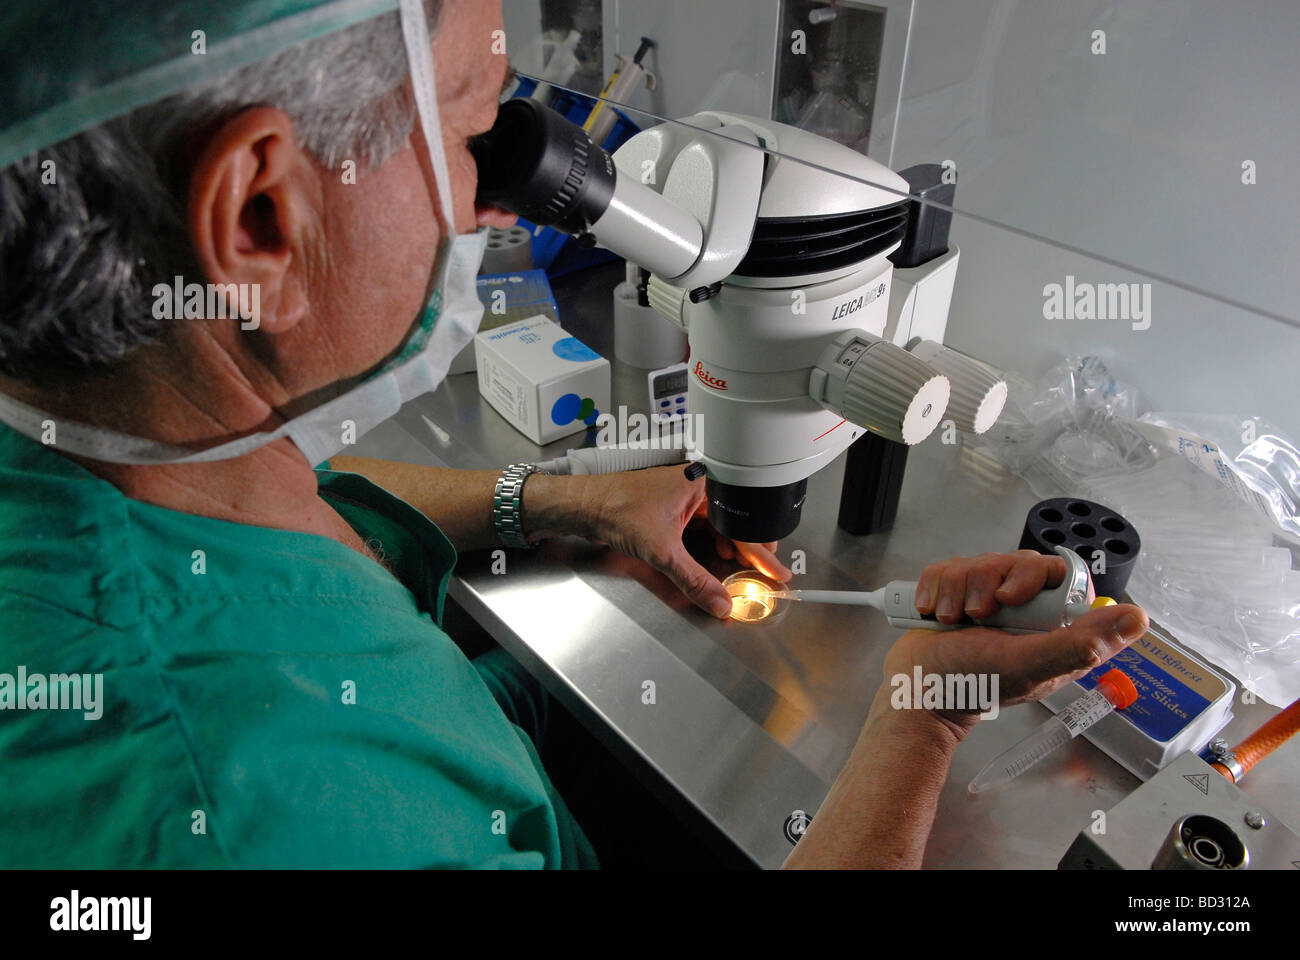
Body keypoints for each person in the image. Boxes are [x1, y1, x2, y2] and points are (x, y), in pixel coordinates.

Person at [0, 0, 1148, 869]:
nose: (501, 198)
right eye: (469, 127)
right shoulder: (265, 816)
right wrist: (919, 723)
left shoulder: (104, 443)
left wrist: (556, 500)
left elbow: (305, 508)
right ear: (258, 216)